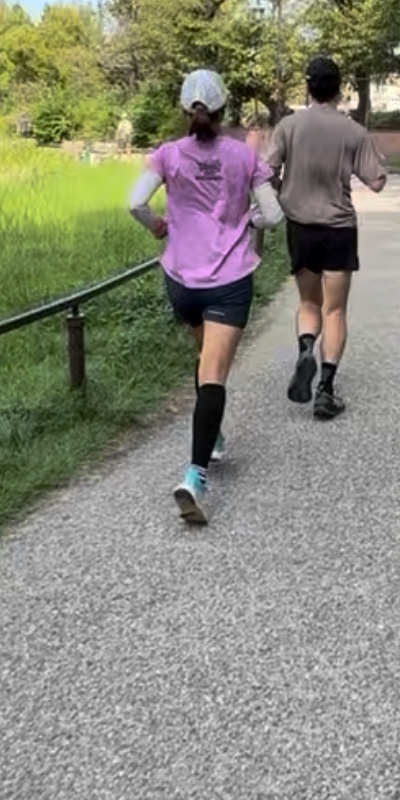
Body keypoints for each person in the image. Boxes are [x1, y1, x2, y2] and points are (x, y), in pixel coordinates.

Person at [128, 69, 283, 526]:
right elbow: (273, 214)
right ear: (223, 110)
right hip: (228, 280)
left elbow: (135, 203)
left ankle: (212, 437)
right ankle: (194, 476)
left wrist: (156, 225)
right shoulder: (243, 156)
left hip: (181, 280)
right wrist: (248, 221)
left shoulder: (167, 155)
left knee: (204, 359)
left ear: (185, 109)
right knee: (214, 372)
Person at [263, 55, 387, 420]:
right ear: (339, 89)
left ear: (308, 88)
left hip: (300, 228)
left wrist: (283, 188)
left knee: (308, 303)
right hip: (339, 230)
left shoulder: (288, 126)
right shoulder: (353, 131)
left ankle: (306, 349)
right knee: (335, 310)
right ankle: (326, 390)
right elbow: (377, 182)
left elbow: (265, 171)